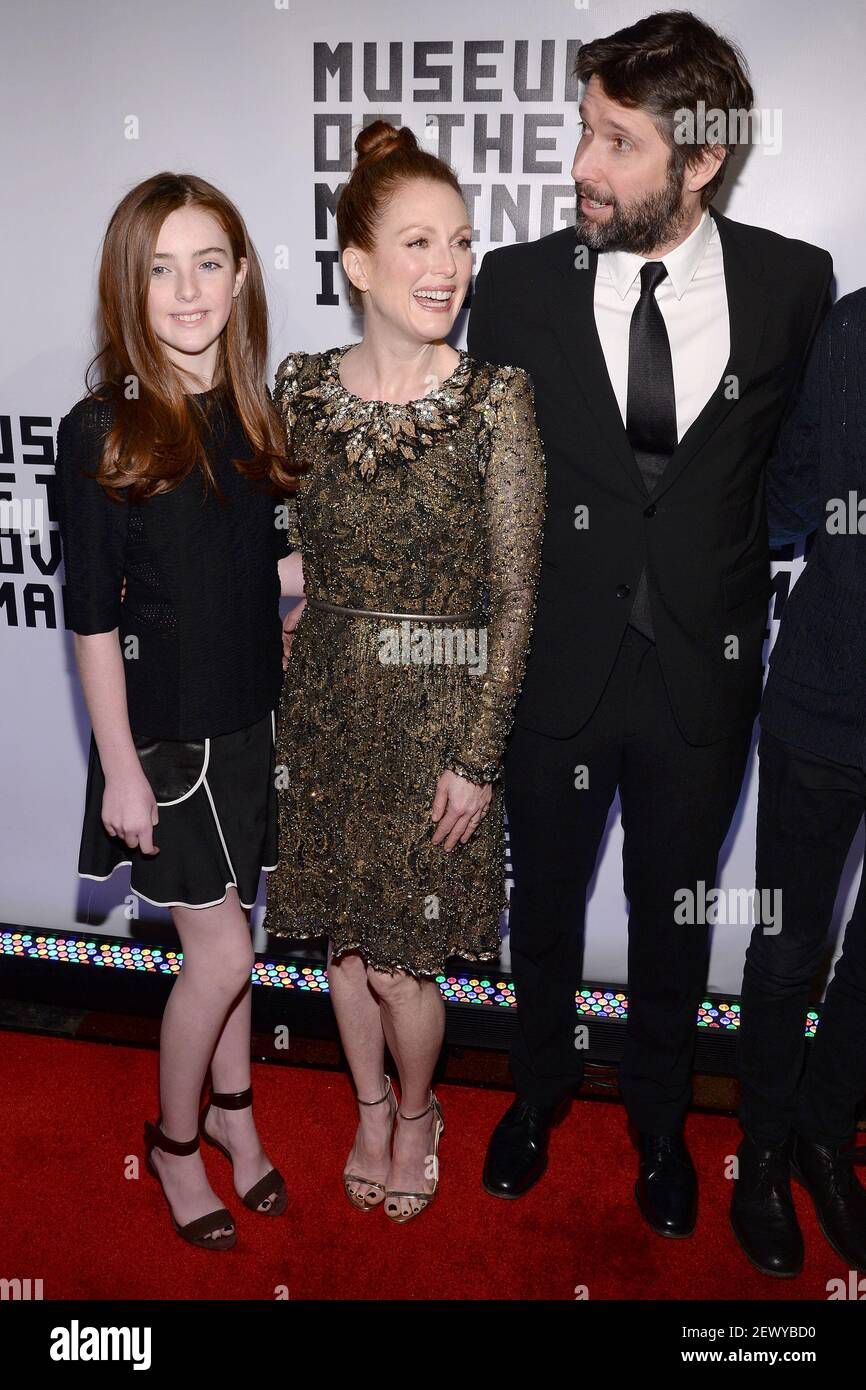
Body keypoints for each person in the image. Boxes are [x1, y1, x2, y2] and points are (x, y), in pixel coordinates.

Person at [467, 10, 833, 1236]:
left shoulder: (791, 285)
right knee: (549, 908)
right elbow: (484, 483)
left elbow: (782, 473)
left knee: (675, 921)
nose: (584, 165)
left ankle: (661, 1128)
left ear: (699, 160)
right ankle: (533, 1094)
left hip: (701, 676)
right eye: (584, 131)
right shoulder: (514, 289)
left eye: (618, 142)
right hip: (556, 670)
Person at [265, 120, 546, 1223]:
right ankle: (369, 1108)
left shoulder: (494, 399)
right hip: (325, 706)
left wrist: (477, 758)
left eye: (462, 242)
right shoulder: (297, 386)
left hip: (440, 715)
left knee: (404, 967)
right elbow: (284, 539)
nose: (448, 268)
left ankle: (419, 1111)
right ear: (358, 265)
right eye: (420, 242)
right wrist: (287, 595)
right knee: (340, 949)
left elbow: (518, 592)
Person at [55, 172, 300, 1250]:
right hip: (168, 744)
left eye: (207, 262)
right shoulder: (101, 428)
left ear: (241, 276)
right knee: (223, 959)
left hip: (254, 726)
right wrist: (117, 766)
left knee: (232, 941)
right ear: (127, 285)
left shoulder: (252, 410)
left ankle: (238, 1122)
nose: (187, 288)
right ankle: (172, 1140)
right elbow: (91, 621)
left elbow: (266, 567)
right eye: (160, 268)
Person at [731, 290, 866, 1279]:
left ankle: (824, 1139)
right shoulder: (850, 326)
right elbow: (790, 502)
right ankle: (762, 1159)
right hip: (825, 690)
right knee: (785, 946)